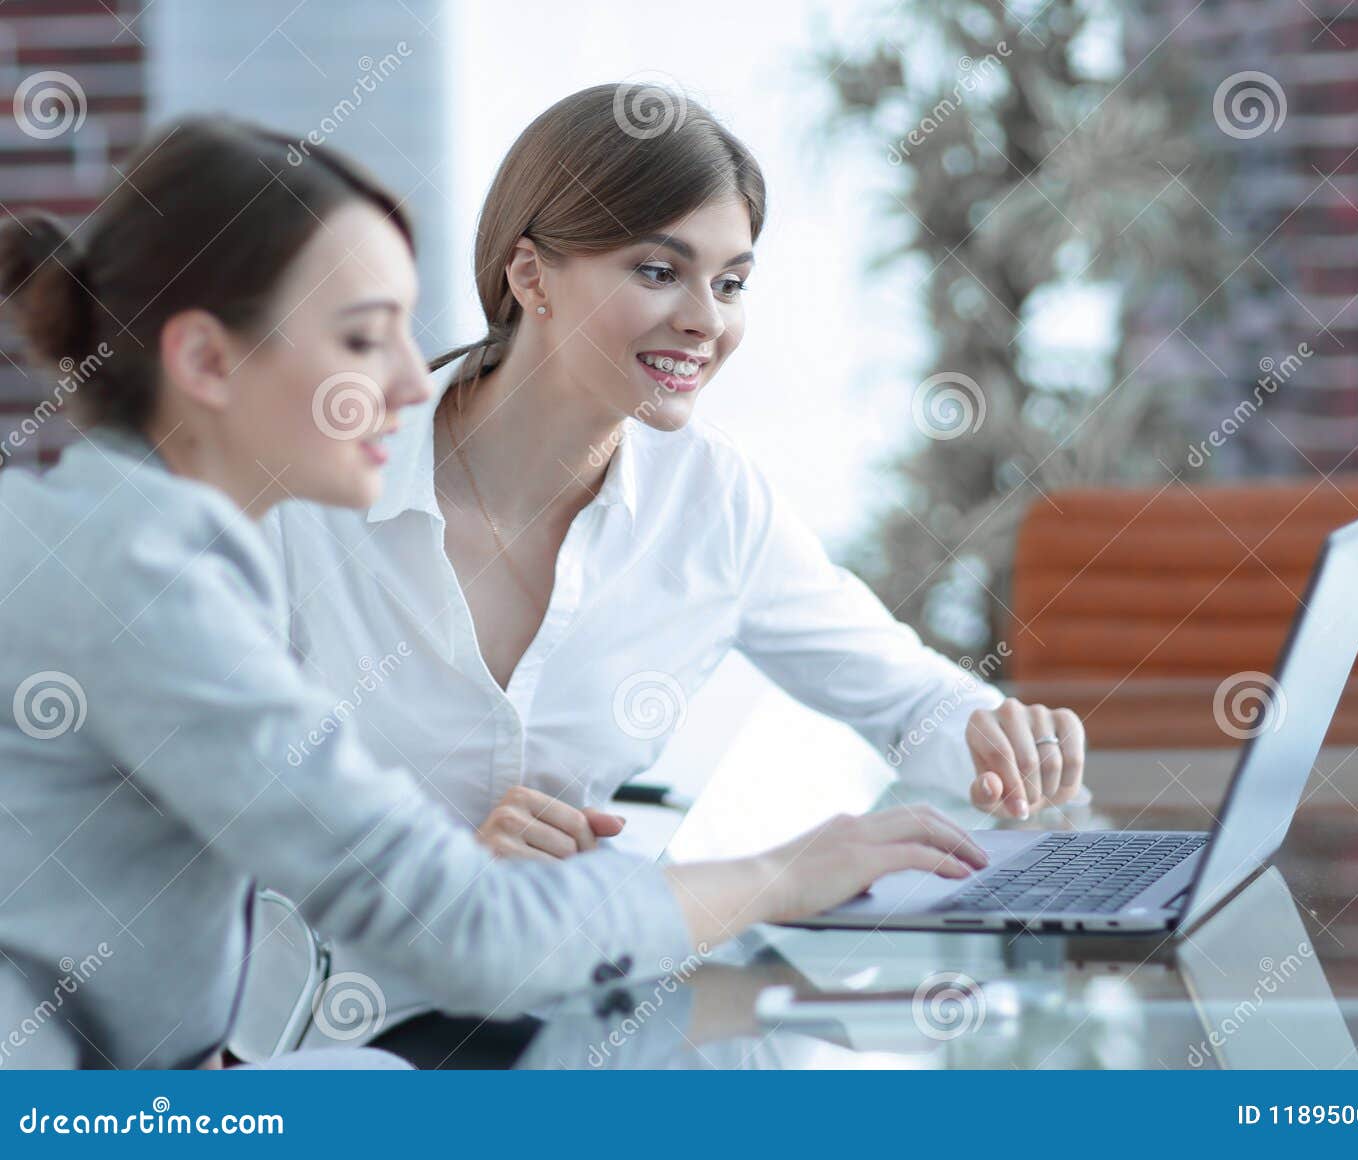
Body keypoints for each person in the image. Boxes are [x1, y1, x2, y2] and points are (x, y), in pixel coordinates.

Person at [0, 116, 987, 1070]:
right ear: (209, 362)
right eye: (363, 339)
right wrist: (783, 875)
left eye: (730, 281)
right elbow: (465, 926)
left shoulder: (126, 535)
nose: (410, 381)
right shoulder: (146, 580)